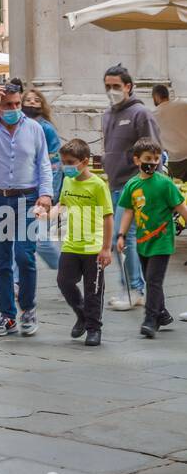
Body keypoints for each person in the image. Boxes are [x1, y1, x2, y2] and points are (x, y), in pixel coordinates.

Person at [0, 82, 53, 338]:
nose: (15, 109)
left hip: (27, 200)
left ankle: (28, 309)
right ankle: (7, 315)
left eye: (17, 104)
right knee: (2, 261)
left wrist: (46, 194)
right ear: (0, 105)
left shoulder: (34, 128)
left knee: (25, 256)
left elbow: (44, 163)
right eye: (9, 105)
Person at [116, 137, 187, 338]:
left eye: (156, 158)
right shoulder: (132, 185)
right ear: (137, 160)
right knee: (149, 279)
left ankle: (150, 319)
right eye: (148, 158)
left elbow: (180, 208)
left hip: (162, 240)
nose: (153, 162)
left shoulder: (165, 184)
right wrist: (121, 234)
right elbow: (128, 211)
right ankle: (162, 313)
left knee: (154, 281)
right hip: (142, 241)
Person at [103, 65, 160, 311]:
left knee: (123, 237)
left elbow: (154, 151)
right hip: (115, 185)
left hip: (135, 187)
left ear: (128, 86)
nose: (112, 91)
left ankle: (134, 289)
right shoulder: (107, 114)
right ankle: (132, 288)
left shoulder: (140, 114)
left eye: (116, 86)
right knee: (125, 239)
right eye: (107, 86)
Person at [54, 139, 113, 348]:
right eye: (63, 162)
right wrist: (50, 212)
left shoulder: (97, 185)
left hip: (93, 245)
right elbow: (63, 203)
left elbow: (108, 216)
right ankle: (81, 313)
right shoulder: (68, 180)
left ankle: (94, 329)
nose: (66, 166)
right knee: (64, 281)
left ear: (84, 161)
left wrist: (106, 248)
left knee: (93, 289)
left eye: (70, 162)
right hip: (71, 243)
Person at [22, 89, 62, 203]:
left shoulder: (47, 128)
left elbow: (56, 160)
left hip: (41, 183)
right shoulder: (18, 126)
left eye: (36, 100)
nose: (32, 102)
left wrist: (52, 192)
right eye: (28, 100)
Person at [152, 84, 187, 181]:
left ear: (156, 96)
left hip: (176, 160)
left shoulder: (154, 115)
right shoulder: (183, 104)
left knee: (179, 191)